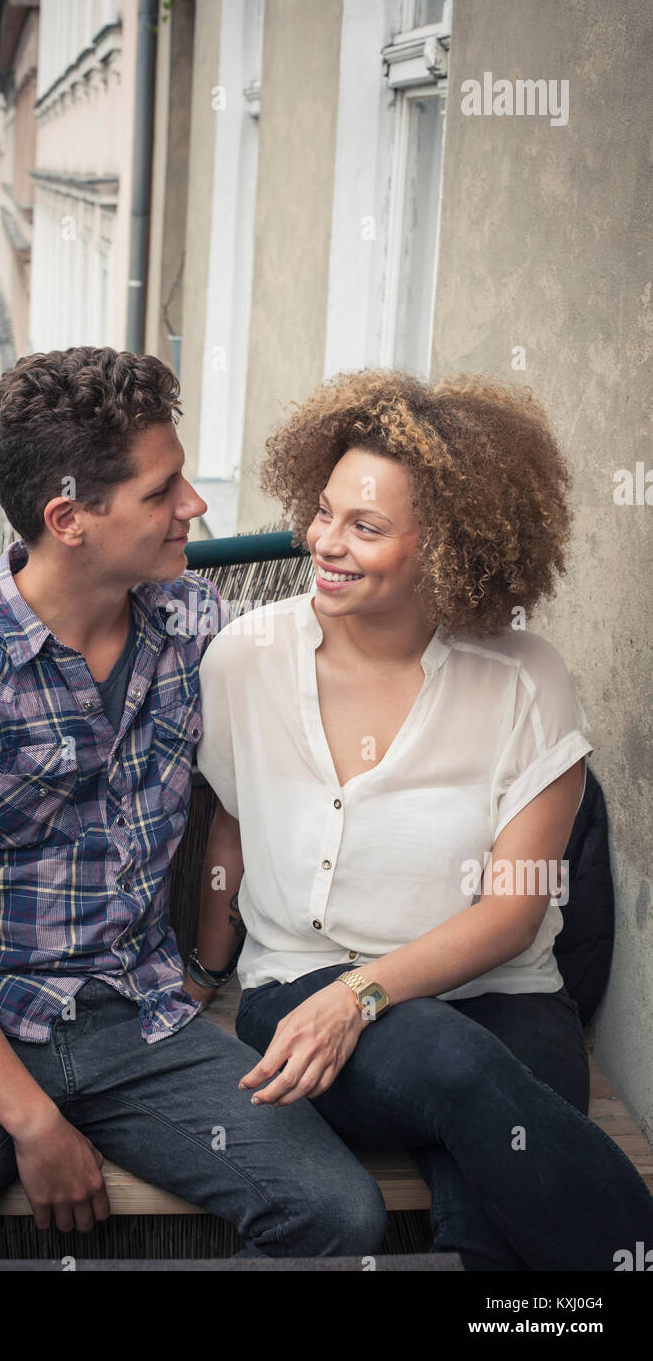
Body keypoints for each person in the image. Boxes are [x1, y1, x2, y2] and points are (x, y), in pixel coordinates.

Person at [0, 347, 385, 1261]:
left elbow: (341, 652)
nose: (193, 505)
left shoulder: (195, 628)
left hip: (142, 1021)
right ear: (68, 517)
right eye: (163, 492)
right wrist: (35, 1125)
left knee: (339, 1216)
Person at [192, 368, 653, 1272]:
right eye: (324, 511)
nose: (325, 542)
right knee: (450, 1063)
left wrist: (362, 994)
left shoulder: (526, 679)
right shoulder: (245, 658)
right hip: (301, 992)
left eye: (366, 527)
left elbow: (513, 913)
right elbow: (231, 827)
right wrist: (209, 969)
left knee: (492, 1233)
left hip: (504, 1003)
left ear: (446, 545)